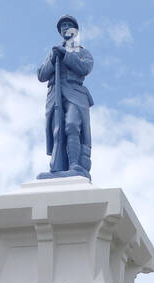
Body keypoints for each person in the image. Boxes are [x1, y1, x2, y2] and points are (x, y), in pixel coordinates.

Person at [37, 15, 94, 180]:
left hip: (75, 94)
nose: (65, 28)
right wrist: (54, 58)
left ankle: (75, 164)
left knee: (72, 126)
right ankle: (57, 167)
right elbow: (41, 74)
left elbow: (84, 67)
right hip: (55, 95)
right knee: (57, 131)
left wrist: (66, 55)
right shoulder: (53, 51)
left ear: (75, 31)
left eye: (69, 25)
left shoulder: (81, 51)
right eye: (63, 26)